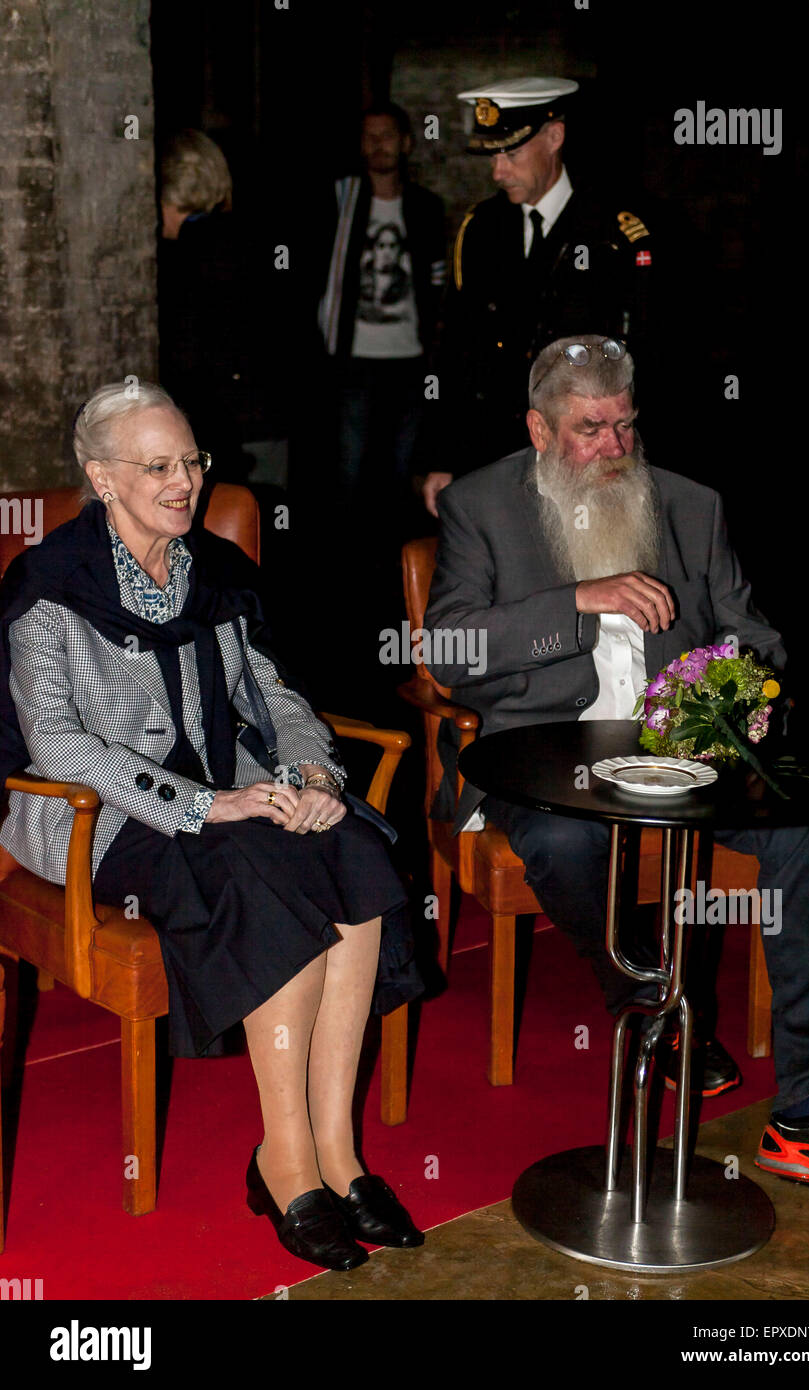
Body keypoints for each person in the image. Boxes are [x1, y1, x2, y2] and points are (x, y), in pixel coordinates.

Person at [0, 383, 425, 1270]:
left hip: (227, 795)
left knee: (345, 840)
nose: (183, 481)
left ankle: (339, 1155)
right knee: (252, 868)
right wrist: (201, 804)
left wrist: (308, 774)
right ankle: (288, 1163)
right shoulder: (48, 588)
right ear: (101, 478)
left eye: (191, 462)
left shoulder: (216, 574)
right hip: (99, 818)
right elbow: (59, 746)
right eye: (157, 466)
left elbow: (273, 696)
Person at [424, 334, 809, 1185]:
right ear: (540, 429)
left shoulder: (691, 505)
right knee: (562, 845)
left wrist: (737, 697)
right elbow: (444, 647)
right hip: (544, 753)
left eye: (625, 426)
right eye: (590, 430)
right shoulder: (482, 504)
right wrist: (577, 602)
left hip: (680, 756)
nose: (615, 449)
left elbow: (758, 642)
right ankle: (647, 998)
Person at [423, 75, 668, 518]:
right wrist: (443, 456)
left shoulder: (614, 233)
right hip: (495, 450)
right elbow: (456, 351)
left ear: (554, 137)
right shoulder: (481, 228)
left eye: (511, 153)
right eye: (493, 156)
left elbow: (647, 355)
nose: (498, 172)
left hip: (586, 457)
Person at [317, 102, 447, 527]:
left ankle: (398, 556)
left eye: (387, 134)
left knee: (404, 468)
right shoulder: (340, 202)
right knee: (347, 470)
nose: (379, 144)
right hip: (354, 356)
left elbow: (439, 281)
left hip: (411, 359)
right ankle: (347, 554)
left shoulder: (425, 207)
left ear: (406, 142)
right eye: (370, 136)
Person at [158, 129, 287, 484]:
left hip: (235, 426)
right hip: (257, 418)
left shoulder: (198, 251)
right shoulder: (242, 236)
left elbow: (192, 352)